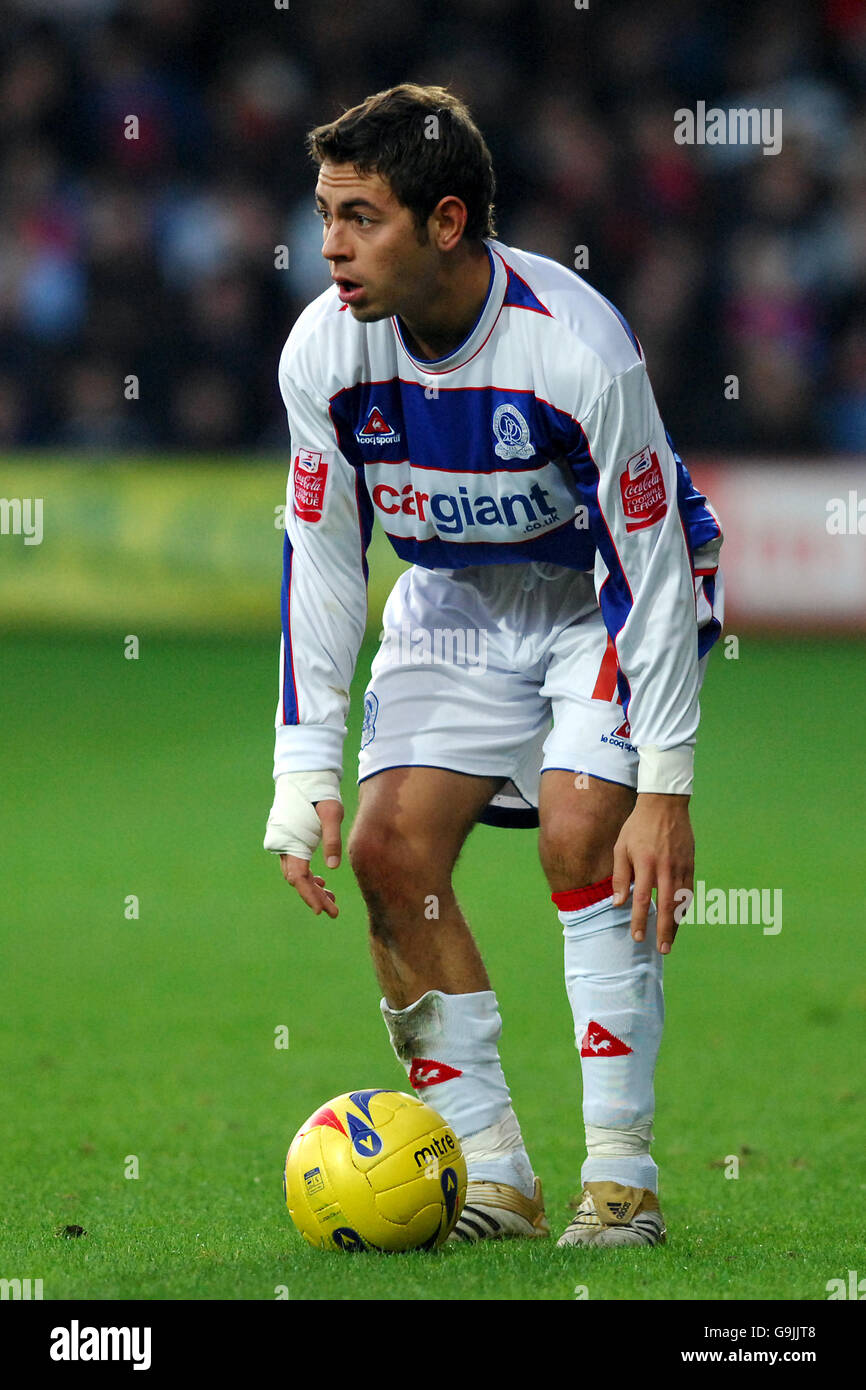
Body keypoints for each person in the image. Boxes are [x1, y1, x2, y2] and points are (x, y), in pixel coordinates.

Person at [264, 83, 723, 1247]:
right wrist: (301, 766)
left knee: (582, 835)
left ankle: (619, 1180)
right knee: (385, 849)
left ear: (447, 222)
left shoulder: (575, 346)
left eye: (360, 216)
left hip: (601, 598)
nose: (330, 245)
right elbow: (321, 559)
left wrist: (663, 784)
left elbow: (654, 566)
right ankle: (491, 1174)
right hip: (453, 597)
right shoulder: (322, 347)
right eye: (324, 213)